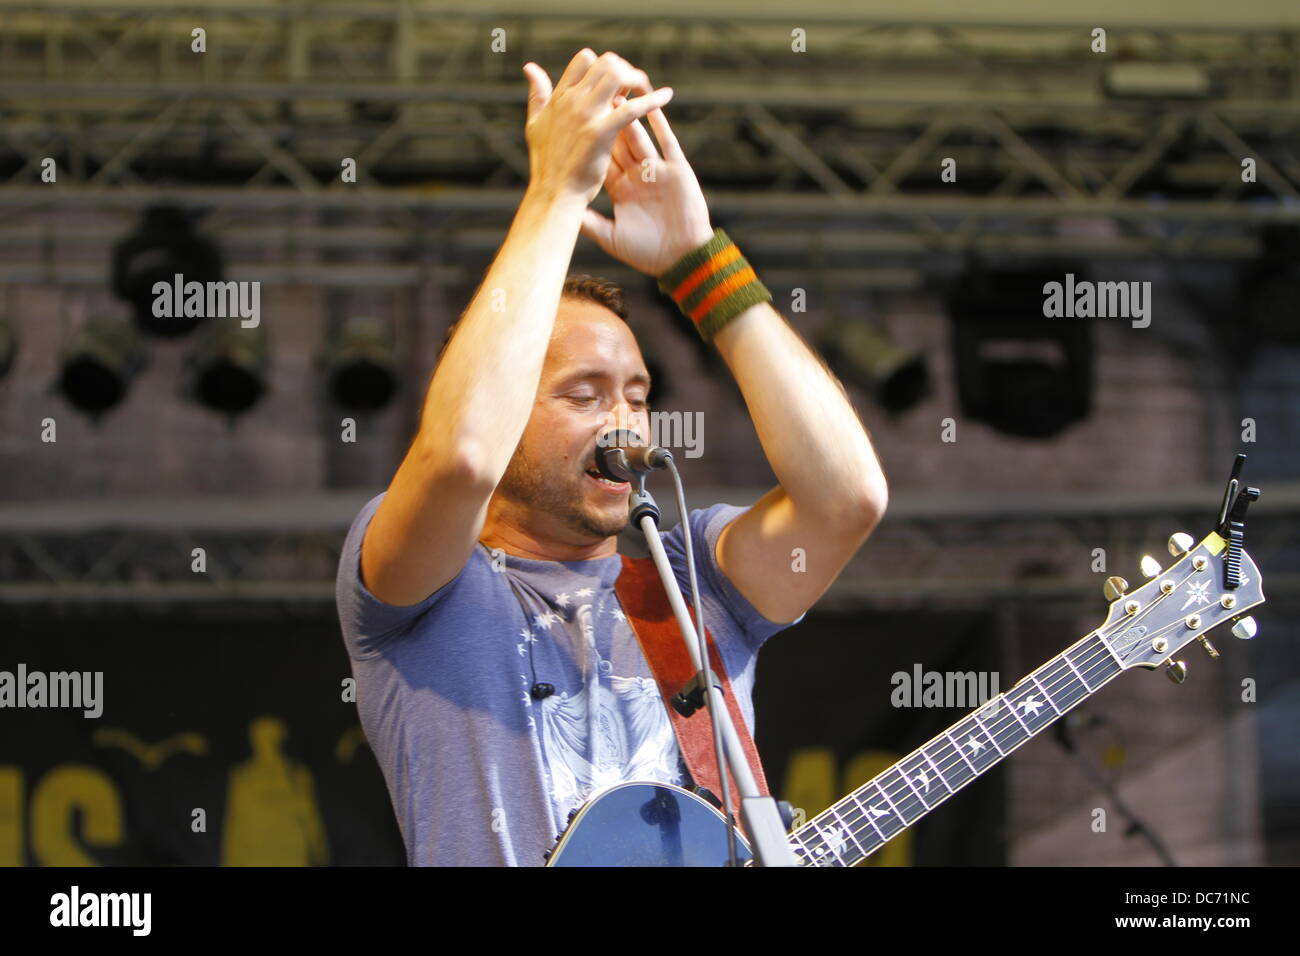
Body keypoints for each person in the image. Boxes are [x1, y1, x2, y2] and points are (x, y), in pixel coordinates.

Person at [335, 49, 888, 866]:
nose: (626, 423)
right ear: (507, 412)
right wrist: (556, 194)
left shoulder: (694, 578)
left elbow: (847, 499)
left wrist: (701, 265)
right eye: (585, 395)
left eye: (637, 393)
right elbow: (458, 457)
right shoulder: (425, 592)